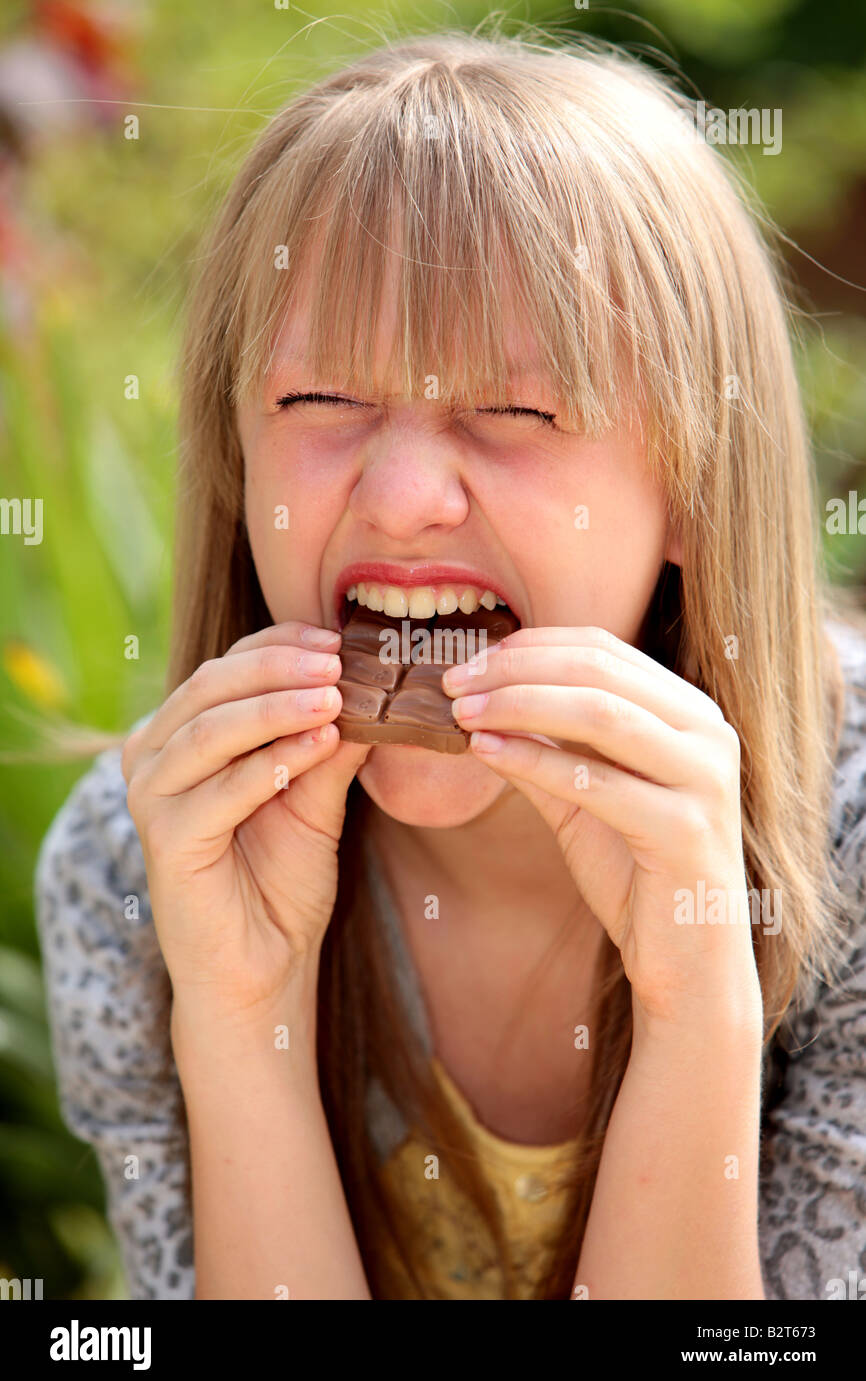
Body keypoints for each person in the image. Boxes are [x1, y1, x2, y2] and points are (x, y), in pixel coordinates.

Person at [34, 28, 866, 1300]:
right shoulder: (138, 872)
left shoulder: (850, 846)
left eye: (516, 412)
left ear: (696, 490)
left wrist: (698, 1002)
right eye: (317, 403)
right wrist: (243, 1016)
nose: (406, 494)